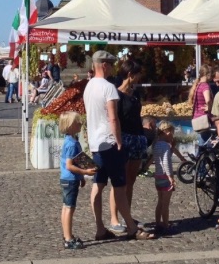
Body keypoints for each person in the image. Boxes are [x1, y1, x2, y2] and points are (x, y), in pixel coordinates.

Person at [84, 50, 153, 241]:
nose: (114, 68)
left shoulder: (89, 86)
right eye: (112, 65)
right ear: (104, 65)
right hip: (110, 142)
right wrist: (119, 141)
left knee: (98, 185)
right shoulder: (108, 88)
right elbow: (113, 118)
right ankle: (131, 227)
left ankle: (100, 227)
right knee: (120, 186)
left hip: (96, 143)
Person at [108, 58, 147, 233]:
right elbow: (114, 119)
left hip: (137, 138)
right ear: (130, 75)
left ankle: (127, 215)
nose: (139, 78)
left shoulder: (135, 93)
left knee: (130, 180)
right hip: (124, 139)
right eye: (137, 74)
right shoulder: (116, 95)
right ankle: (114, 218)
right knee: (119, 181)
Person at [58, 111, 95, 250]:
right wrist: (85, 172)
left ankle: (67, 235)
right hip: (70, 178)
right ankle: (68, 238)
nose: (80, 124)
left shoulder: (70, 141)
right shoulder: (72, 144)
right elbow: (70, 165)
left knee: (65, 207)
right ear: (71, 126)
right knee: (69, 208)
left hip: (67, 178)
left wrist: (81, 177)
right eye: (77, 122)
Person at [152, 120, 176, 235]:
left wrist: (171, 148)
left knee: (160, 201)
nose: (172, 136)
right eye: (172, 133)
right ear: (167, 132)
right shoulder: (165, 146)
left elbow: (160, 159)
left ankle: (158, 223)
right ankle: (165, 224)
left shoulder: (156, 145)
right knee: (166, 204)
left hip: (158, 176)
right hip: (165, 177)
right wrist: (170, 177)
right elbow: (166, 162)